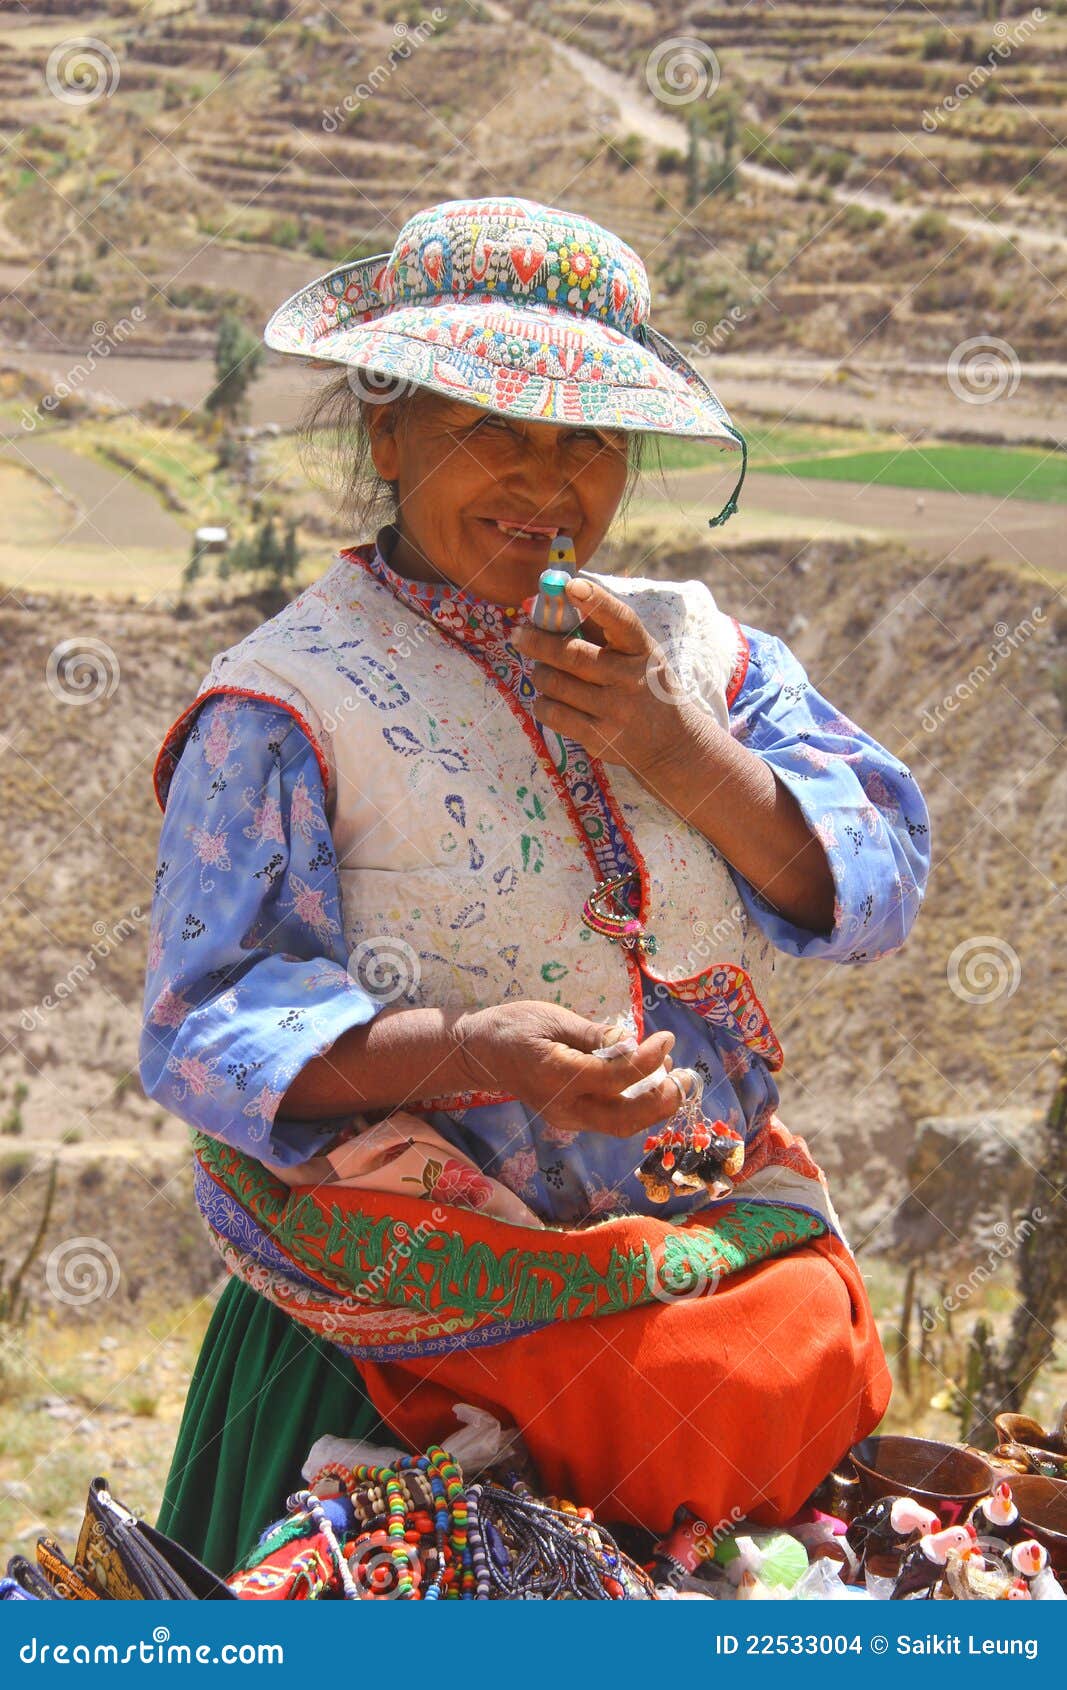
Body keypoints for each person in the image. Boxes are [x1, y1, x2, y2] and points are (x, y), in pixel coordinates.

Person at [140, 196, 930, 1578]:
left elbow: (878, 884)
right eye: (490, 426)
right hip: (396, 1374)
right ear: (386, 434)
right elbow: (210, 1027)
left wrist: (677, 749)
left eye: (587, 440)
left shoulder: (702, 658)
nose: (546, 480)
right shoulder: (286, 704)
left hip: (698, 1349)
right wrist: (472, 1052)